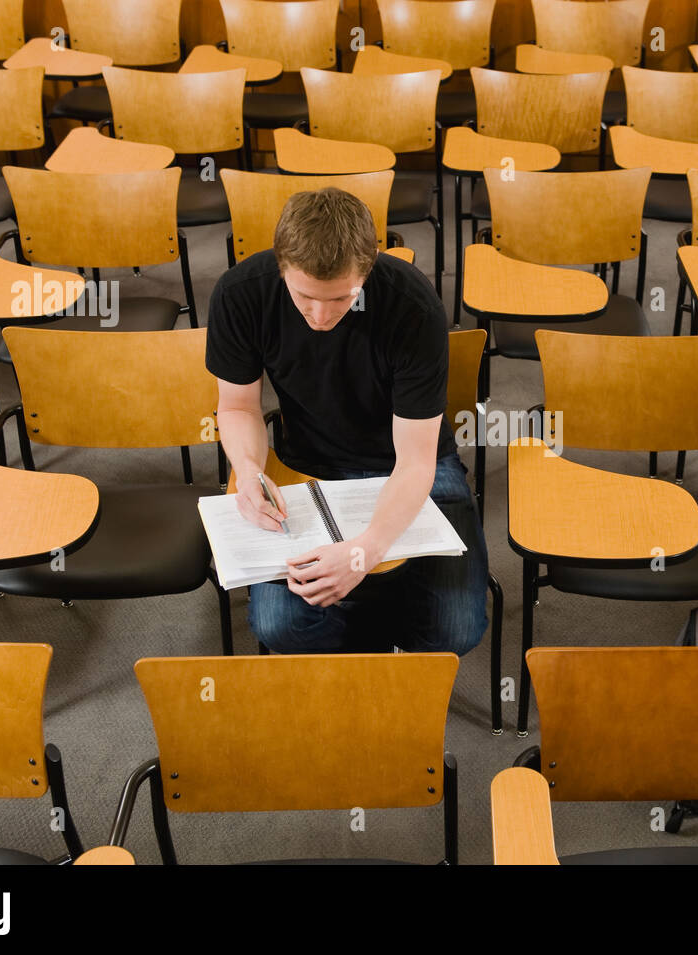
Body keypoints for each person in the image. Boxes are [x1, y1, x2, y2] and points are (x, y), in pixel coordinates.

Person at [205, 187, 488, 655]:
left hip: (410, 462)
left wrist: (365, 551)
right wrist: (251, 469)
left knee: (454, 632)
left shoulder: (412, 306)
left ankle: (365, 610)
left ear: (369, 265)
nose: (320, 315)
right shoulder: (242, 294)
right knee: (281, 627)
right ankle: (366, 635)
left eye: (340, 297)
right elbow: (236, 407)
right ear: (281, 266)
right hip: (309, 461)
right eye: (305, 296)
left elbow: (416, 460)